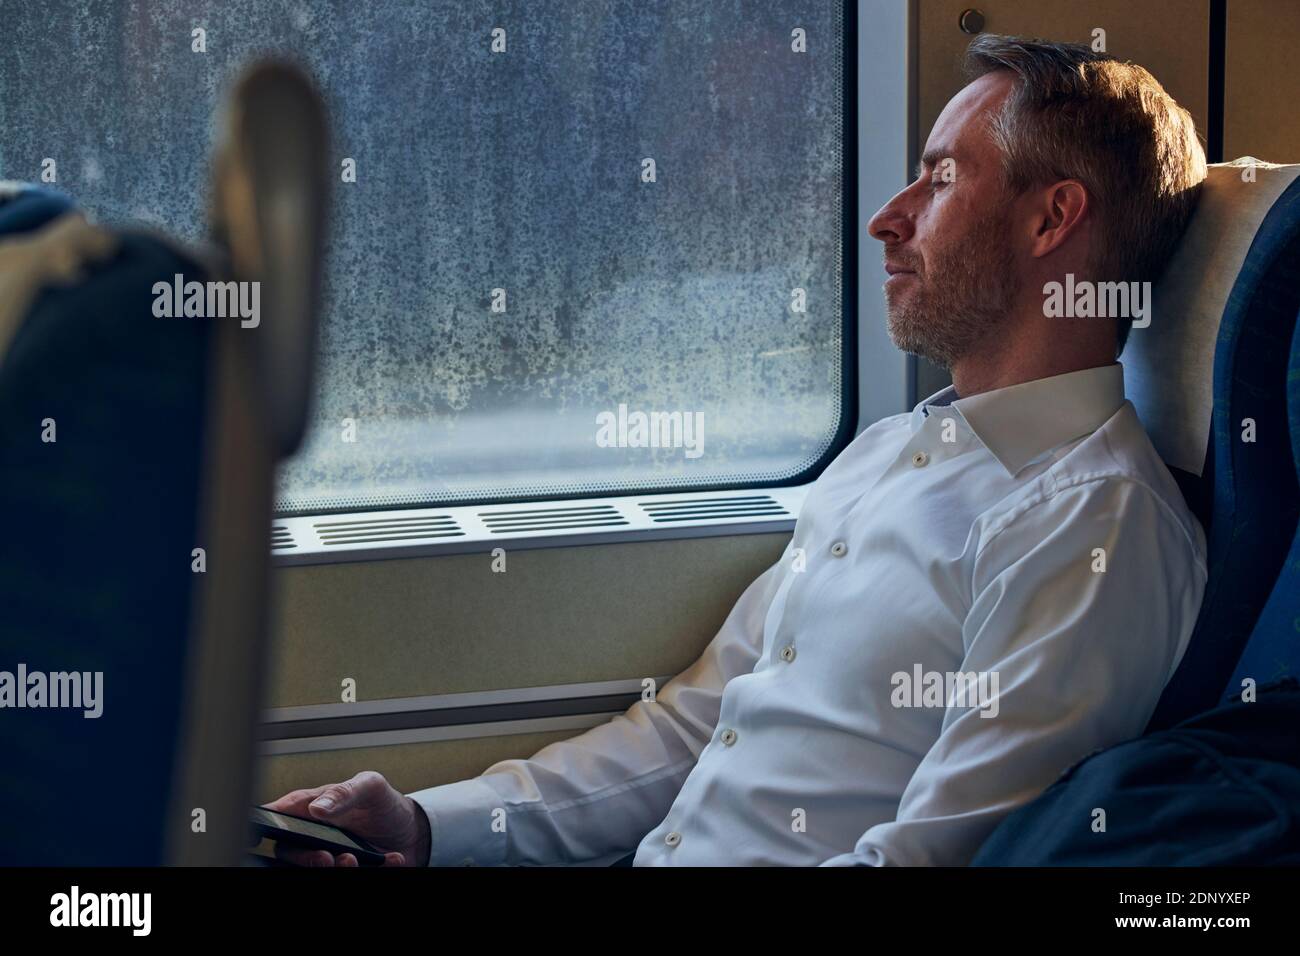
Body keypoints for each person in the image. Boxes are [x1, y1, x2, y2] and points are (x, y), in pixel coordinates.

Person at [268, 34, 1209, 867]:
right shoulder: (890, 452)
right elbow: (691, 728)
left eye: (941, 179)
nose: (889, 216)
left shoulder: (1096, 527)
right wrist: (429, 827)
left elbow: (936, 857)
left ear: (1052, 220)